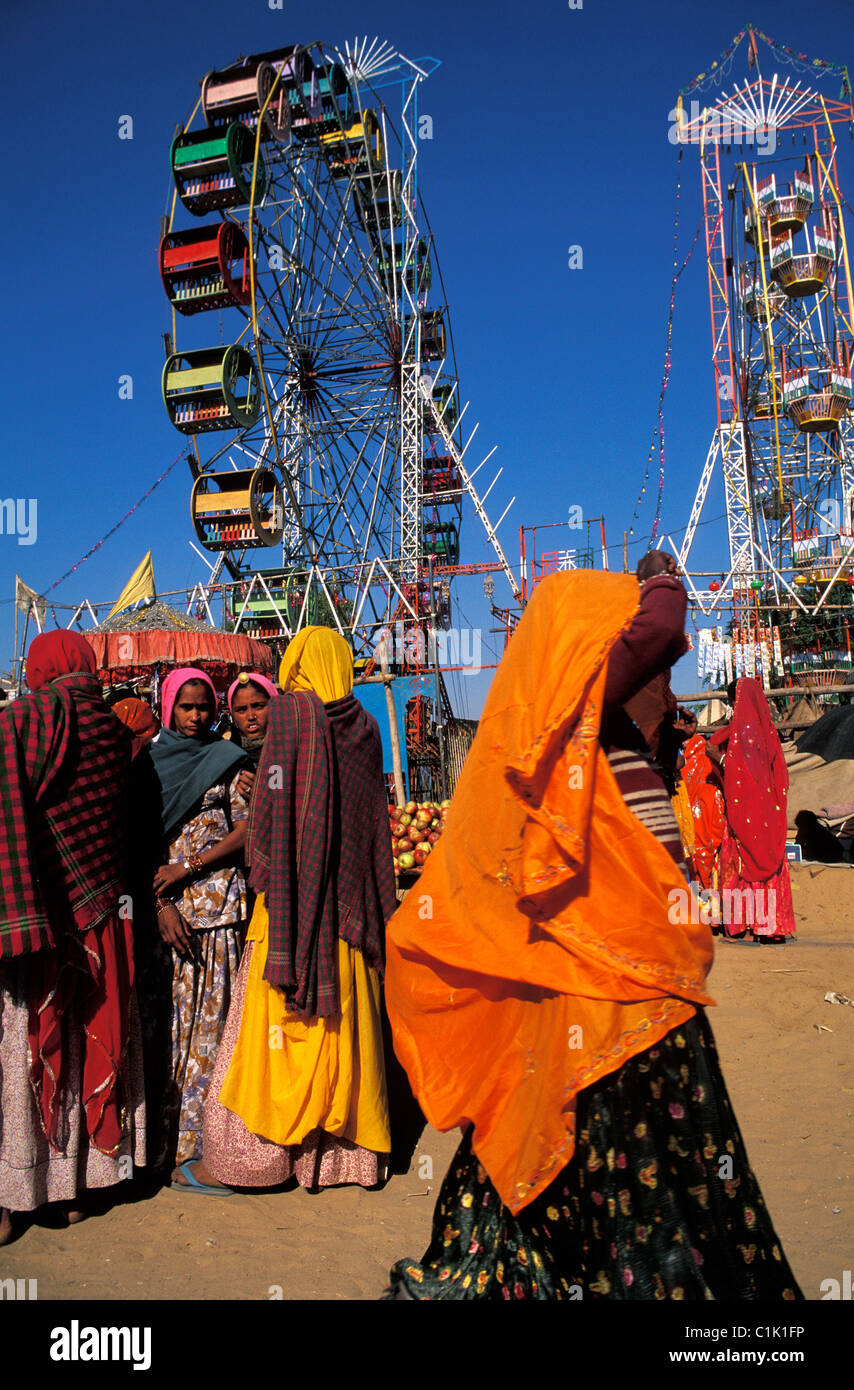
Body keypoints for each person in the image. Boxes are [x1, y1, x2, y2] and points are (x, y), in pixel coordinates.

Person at [383, 569, 802, 1299]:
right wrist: (662, 576)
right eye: (604, 629)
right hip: (610, 982)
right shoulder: (564, 704)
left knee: (585, 1126)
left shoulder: (585, 728)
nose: (663, 681)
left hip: (633, 968)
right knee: (627, 1143)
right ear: (573, 642)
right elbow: (663, 628)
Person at [194, 626, 397, 1195]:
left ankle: (258, 1157)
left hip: (286, 916)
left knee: (273, 1034)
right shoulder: (365, 726)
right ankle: (339, 1161)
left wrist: (270, 866)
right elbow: (371, 826)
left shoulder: (290, 719)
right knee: (344, 1033)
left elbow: (270, 815)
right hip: (349, 919)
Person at [0, 631, 145, 1245]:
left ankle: (14, 1195)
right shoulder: (116, 730)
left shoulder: (23, 722)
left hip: (31, 919)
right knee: (86, 1042)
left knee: (28, 1052)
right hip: (101, 913)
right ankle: (76, 1191)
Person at [143, 666, 252, 1182]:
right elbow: (136, 841)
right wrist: (162, 906)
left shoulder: (227, 760)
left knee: (211, 1031)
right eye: (185, 707)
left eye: (204, 707)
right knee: (166, 1030)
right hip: (167, 922)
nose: (195, 716)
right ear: (169, 707)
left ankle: (197, 1152)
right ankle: (155, 1150)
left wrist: (191, 866)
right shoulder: (147, 764)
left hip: (220, 912)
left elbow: (249, 829)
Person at [709, 677, 796, 943]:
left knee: (741, 861)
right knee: (769, 862)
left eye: (731, 701)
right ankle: (770, 928)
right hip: (768, 813)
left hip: (744, 812)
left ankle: (742, 926)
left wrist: (719, 758)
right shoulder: (767, 730)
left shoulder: (742, 732)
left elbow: (743, 773)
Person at [226, 670, 278, 767]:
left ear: (274, 706)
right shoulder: (224, 757)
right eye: (241, 710)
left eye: (258, 706)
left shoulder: (290, 749)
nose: (251, 717)